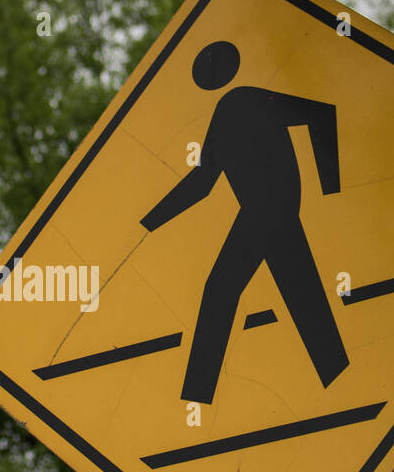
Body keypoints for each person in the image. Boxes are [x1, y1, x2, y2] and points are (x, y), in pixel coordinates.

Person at [140, 40, 349, 404]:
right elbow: (203, 182)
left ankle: (196, 396)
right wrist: (149, 222)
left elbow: (320, 114)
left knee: (221, 289)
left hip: (269, 208)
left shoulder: (245, 100)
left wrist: (331, 188)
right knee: (301, 293)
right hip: (266, 209)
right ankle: (339, 376)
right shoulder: (227, 110)